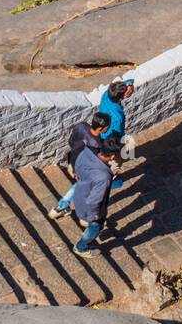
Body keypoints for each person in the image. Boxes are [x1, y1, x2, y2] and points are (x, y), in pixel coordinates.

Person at [50, 78, 136, 219]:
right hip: (107, 148)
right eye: (127, 92)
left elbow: (120, 84)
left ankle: (61, 206)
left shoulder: (106, 95)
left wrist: (129, 84)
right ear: (123, 96)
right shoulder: (116, 118)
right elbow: (114, 138)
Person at [71, 145, 116, 258]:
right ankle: (80, 248)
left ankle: (85, 220)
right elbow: (93, 202)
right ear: (113, 156)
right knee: (96, 227)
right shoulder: (104, 177)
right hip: (89, 206)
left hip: (80, 192)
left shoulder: (85, 151)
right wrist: (94, 217)